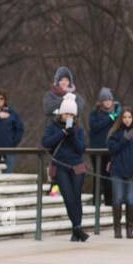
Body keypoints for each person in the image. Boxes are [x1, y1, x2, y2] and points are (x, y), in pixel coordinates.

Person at [43, 94, 89, 241]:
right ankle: (77, 228)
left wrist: (72, 135)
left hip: (77, 166)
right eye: (66, 113)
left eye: (71, 114)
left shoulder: (79, 129)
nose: (68, 116)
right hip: (60, 166)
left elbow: (81, 148)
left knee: (76, 198)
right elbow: (46, 142)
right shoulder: (52, 126)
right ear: (61, 113)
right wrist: (62, 133)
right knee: (68, 198)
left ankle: (76, 229)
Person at [42, 67, 86, 195]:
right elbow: (47, 108)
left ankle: (67, 187)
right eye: (61, 80)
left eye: (66, 80)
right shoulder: (50, 94)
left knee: (70, 158)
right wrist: (65, 101)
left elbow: (80, 106)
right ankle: (54, 188)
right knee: (53, 160)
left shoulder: (76, 95)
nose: (64, 82)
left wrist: (70, 101)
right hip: (54, 130)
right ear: (57, 81)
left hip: (72, 130)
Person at [107, 107, 133, 239]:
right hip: (117, 170)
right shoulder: (115, 132)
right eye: (124, 117)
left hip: (132, 171)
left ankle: (130, 229)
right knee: (117, 198)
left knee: (130, 198)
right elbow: (112, 150)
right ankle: (117, 229)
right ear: (120, 119)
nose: (127, 120)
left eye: (129, 117)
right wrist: (124, 139)